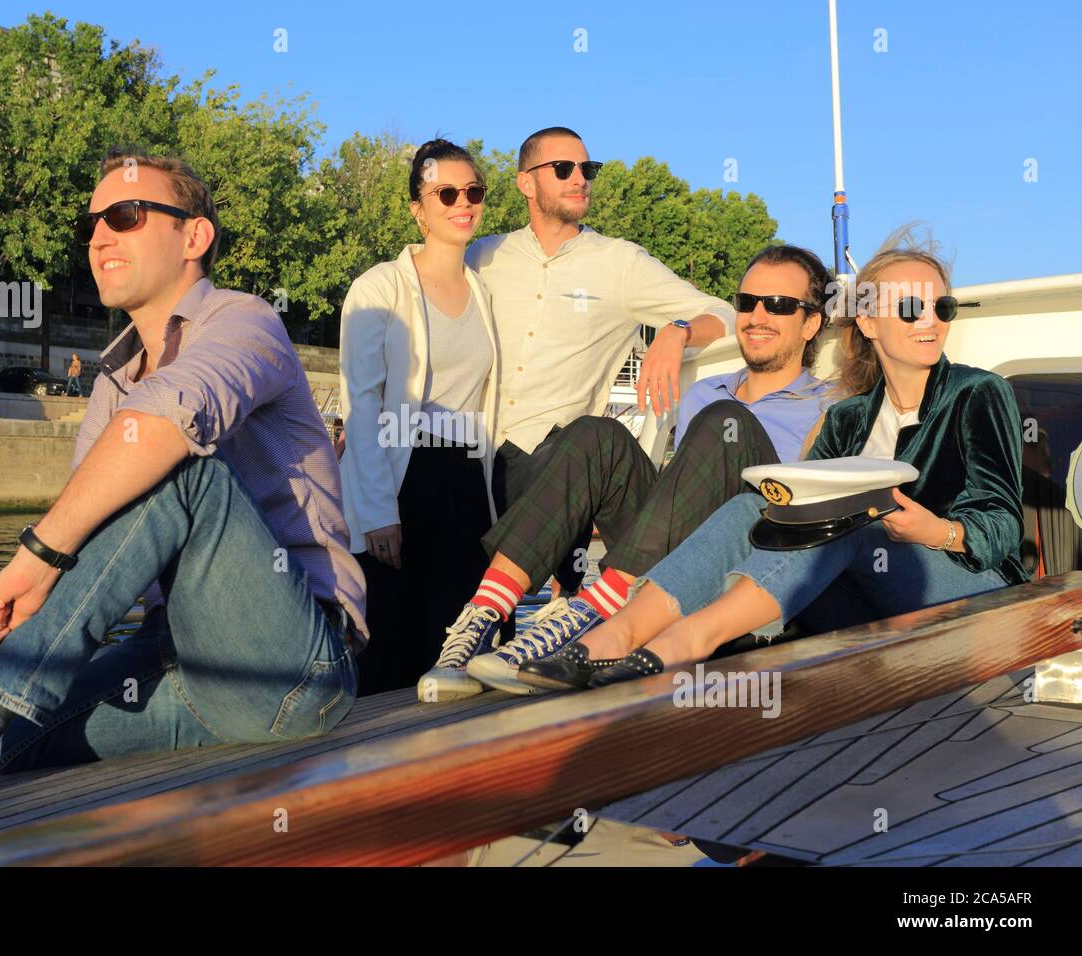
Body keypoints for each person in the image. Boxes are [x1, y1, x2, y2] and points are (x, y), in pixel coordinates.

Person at [0, 151, 366, 803]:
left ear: (194, 236)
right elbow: (93, 532)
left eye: (127, 214)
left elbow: (171, 420)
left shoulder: (243, 320)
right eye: (91, 224)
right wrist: (10, 597)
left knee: (174, 463)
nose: (100, 237)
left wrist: (32, 562)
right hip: (173, 666)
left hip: (290, 667)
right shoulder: (112, 385)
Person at [519, 233, 1029, 691]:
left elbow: (1002, 524)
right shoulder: (847, 418)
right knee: (753, 509)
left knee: (850, 521)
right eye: (913, 307)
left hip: (968, 592)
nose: (931, 322)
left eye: (942, 307)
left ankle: (682, 644)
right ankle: (616, 634)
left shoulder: (976, 392)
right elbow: (802, 510)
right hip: (864, 602)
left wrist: (936, 530)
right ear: (869, 322)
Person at [418, 126, 737, 697]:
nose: (579, 179)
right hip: (479, 465)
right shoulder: (485, 258)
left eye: (587, 169)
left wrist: (678, 330)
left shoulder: (620, 264)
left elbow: (723, 314)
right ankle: (473, 646)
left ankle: (488, 631)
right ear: (525, 182)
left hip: (560, 461)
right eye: (562, 168)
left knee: (584, 441)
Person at [442, 245, 836, 697]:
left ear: (811, 323)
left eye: (780, 305)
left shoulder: (830, 407)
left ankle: (594, 614)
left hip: (739, 570)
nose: (758, 315)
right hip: (668, 563)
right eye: (748, 303)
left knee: (727, 421)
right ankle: (481, 619)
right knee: (596, 434)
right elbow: (681, 499)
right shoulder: (703, 392)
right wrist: (677, 330)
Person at [339, 138, 501, 696]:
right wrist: (378, 511)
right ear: (417, 208)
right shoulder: (378, 288)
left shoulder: (484, 291)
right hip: (403, 477)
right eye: (446, 193)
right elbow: (361, 405)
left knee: (464, 646)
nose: (463, 203)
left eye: (473, 191)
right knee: (392, 647)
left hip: (468, 482)